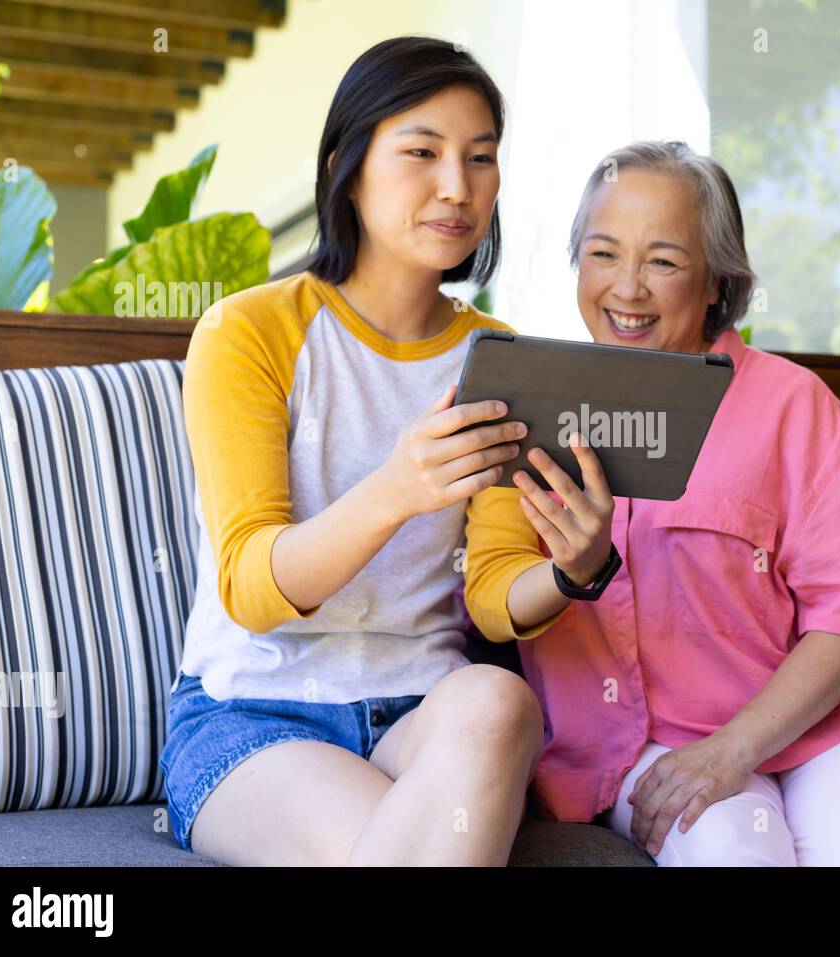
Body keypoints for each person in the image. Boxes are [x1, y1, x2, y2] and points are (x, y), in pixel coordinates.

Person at [160, 37, 602, 866]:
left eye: (480, 159)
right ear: (346, 167)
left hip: (424, 715)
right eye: (421, 153)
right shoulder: (252, 331)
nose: (456, 187)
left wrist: (576, 568)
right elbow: (251, 587)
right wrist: (396, 489)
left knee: (502, 698)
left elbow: (494, 593)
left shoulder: (499, 354)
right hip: (255, 712)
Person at [464, 140, 840, 866]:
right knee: (731, 850)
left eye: (662, 260)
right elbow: (491, 592)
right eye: (602, 254)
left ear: (716, 279)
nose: (627, 288)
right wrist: (570, 570)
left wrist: (733, 749)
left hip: (831, 729)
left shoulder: (792, 404)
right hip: (641, 744)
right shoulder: (531, 409)